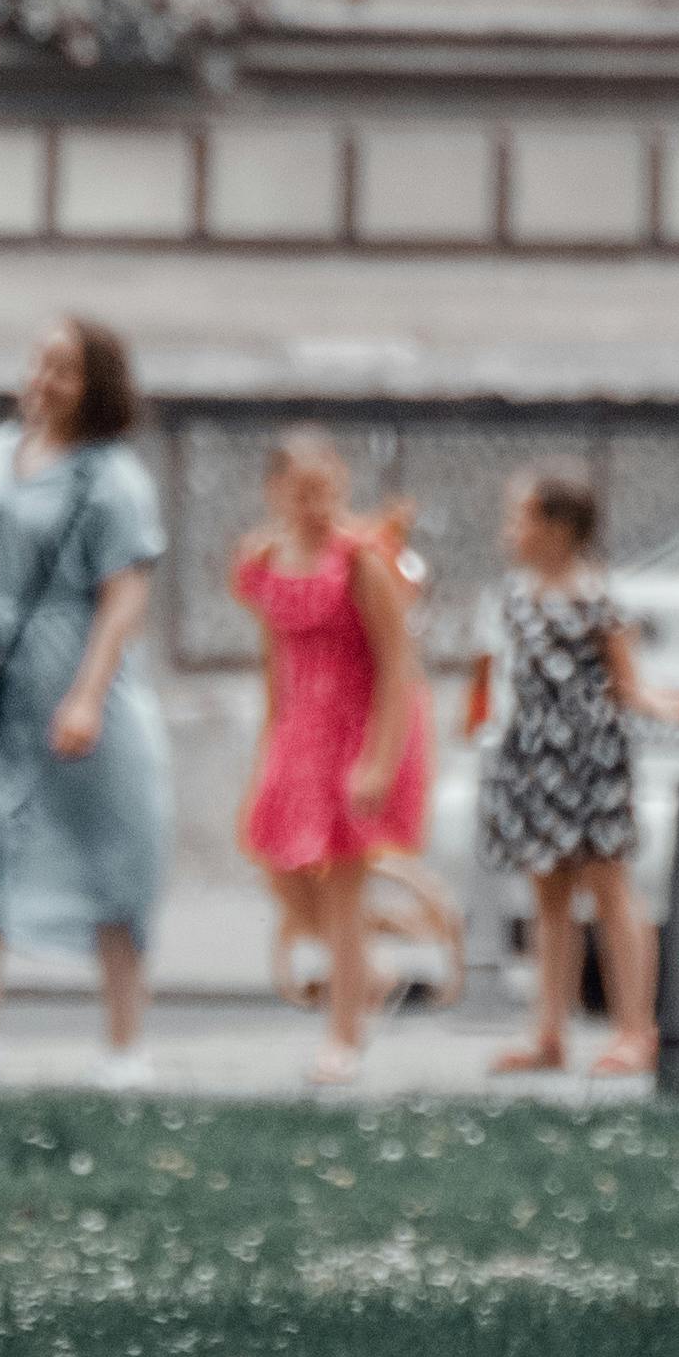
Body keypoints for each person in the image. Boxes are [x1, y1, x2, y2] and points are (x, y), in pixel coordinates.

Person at [0, 317, 170, 1087]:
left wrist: (88, 695)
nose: (43, 380)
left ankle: (126, 1042)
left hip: (76, 668)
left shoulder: (111, 478)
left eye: (63, 369)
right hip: (5, 675)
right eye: (39, 362)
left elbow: (124, 592)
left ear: (93, 384)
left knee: (113, 847)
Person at [475, 468, 679, 1079]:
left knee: (607, 888)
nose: (510, 531)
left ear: (557, 527)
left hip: (589, 761)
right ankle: (548, 1028)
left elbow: (627, 684)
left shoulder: (597, 602)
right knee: (547, 896)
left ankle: (634, 1029)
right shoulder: (515, 596)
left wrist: (666, 704)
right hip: (533, 757)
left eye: (521, 517)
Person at [231, 427, 430, 1087]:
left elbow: (394, 662)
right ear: (274, 492)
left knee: (341, 883)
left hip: (355, 726)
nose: (315, 504)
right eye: (300, 490)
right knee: (278, 865)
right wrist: (269, 738)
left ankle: (343, 1035)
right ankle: (367, 966)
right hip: (298, 729)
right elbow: (272, 657)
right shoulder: (265, 561)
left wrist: (378, 759)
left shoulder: (359, 561)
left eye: (326, 490)